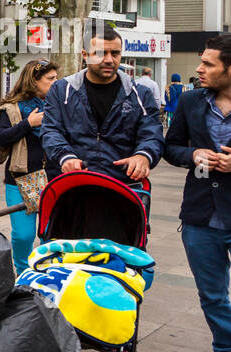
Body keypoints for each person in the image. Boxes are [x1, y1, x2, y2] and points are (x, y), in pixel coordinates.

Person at [163, 34, 231, 352]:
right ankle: (229, 349)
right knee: (212, 294)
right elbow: (170, 146)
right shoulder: (190, 100)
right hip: (200, 215)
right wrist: (192, 155)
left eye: (207, 64)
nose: (198, 70)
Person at [41, 24, 164, 211]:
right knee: (71, 241)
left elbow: (152, 133)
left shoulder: (140, 94)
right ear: (85, 55)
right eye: (100, 53)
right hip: (73, 187)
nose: (108, 59)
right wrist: (65, 157)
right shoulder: (61, 90)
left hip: (123, 188)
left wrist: (143, 156)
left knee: (122, 241)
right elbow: (51, 130)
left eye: (115, 53)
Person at [0, 59, 59, 273]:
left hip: (54, 178)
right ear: (34, 80)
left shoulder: (59, 106)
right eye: (51, 79)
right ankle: (22, 272)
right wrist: (28, 124)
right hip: (22, 177)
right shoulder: (12, 108)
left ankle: (48, 273)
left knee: (50, 233)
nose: (56, 83)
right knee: (23, 235)